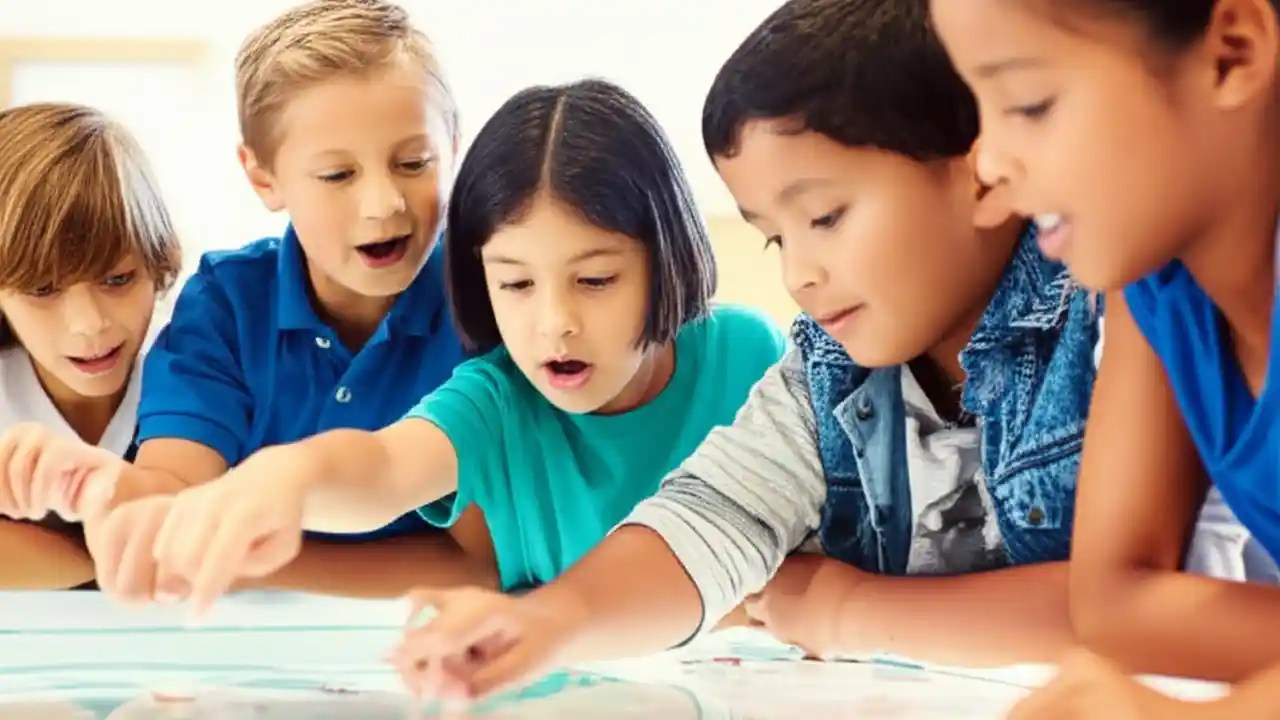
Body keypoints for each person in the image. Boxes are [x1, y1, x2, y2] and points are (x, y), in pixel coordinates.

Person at [382, 0, 1107, 701]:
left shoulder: (1107, 321)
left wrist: (847, 607)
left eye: (825, 216)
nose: (799, 275)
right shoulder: (826, 370)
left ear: (983, 170)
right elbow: (714, 515)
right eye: (776, 238)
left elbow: (1133, 601)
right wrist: (548, 623)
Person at [108, 78, 785, 615]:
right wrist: (282, 483)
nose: (555, 322)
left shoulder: (748, 358)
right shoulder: (495, 398)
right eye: (515, 283)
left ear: (666, 259)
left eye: (596, 279)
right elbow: (381, 467)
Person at [929, 0, 1280, 715]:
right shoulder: (1158, 285)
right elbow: (1116, 604)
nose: (988, 162)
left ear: (1232, 53)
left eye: (1028, 102)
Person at [0, 102, 180, 590]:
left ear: (158, 263)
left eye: (118, 279)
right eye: (42, 290)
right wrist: (100, 565)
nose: (89, 325)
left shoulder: (196, 371)